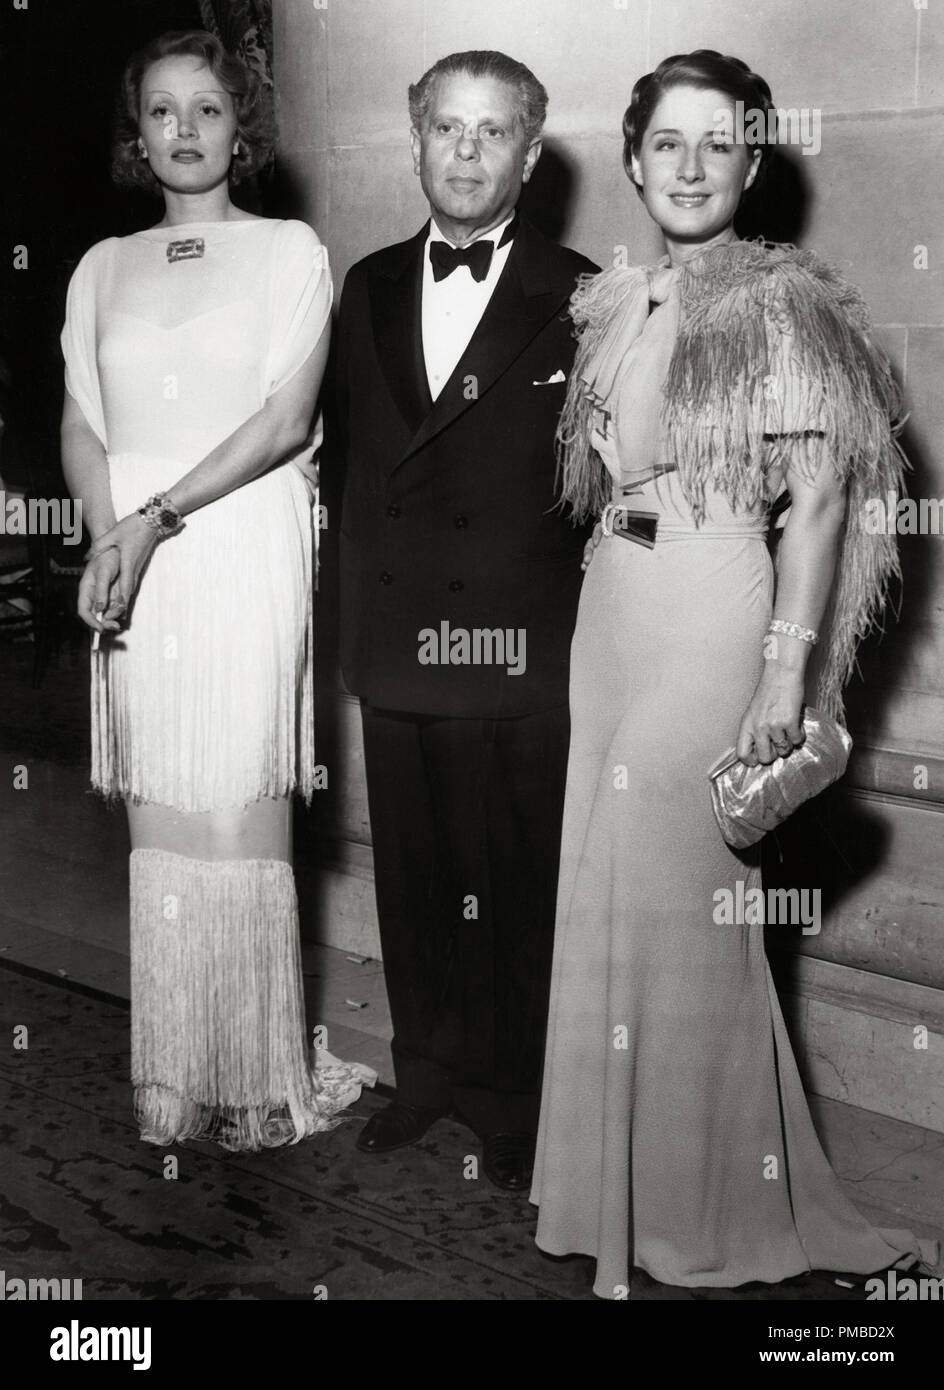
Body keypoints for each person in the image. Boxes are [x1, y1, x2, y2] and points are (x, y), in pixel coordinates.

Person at [531, 50, 938, 1293]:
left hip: (716, 610)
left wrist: (782, 677)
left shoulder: (787, 309)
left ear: (753, 164)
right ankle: (621, 1195)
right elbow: (599, 478)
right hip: (614, 608)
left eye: (719, 144)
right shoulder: (616, 298)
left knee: (681, 910)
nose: (691, 166)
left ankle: (709, 1209)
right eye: (668, 143)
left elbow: (815, 504)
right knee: (608, 897)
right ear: (637, 158)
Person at [60, 29, 374, 1152]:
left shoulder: (292, 249)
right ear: (135, 134)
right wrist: (107, 543)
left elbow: (285, 424)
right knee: (163, 815)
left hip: (237, 537)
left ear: (243, 127)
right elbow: (82, 424)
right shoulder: (99, 266)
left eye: (206, 108)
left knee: (238, 807)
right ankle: (175, 1074)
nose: (183, 130)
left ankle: (256, 1078)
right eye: (160, 111)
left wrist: (148, 525)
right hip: (134, 555)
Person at [330, 50, 597, 1189]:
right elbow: (344, 463)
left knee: (511, 891)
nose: (467, 152)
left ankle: (512, 1103)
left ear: (530, 156)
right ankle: (424, 1075)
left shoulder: (585, 293)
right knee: (413, 878)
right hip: (396, 648)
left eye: (493, 133)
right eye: (448, 128)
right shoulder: (370, 282)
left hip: (516, 655)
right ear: (417, 142)